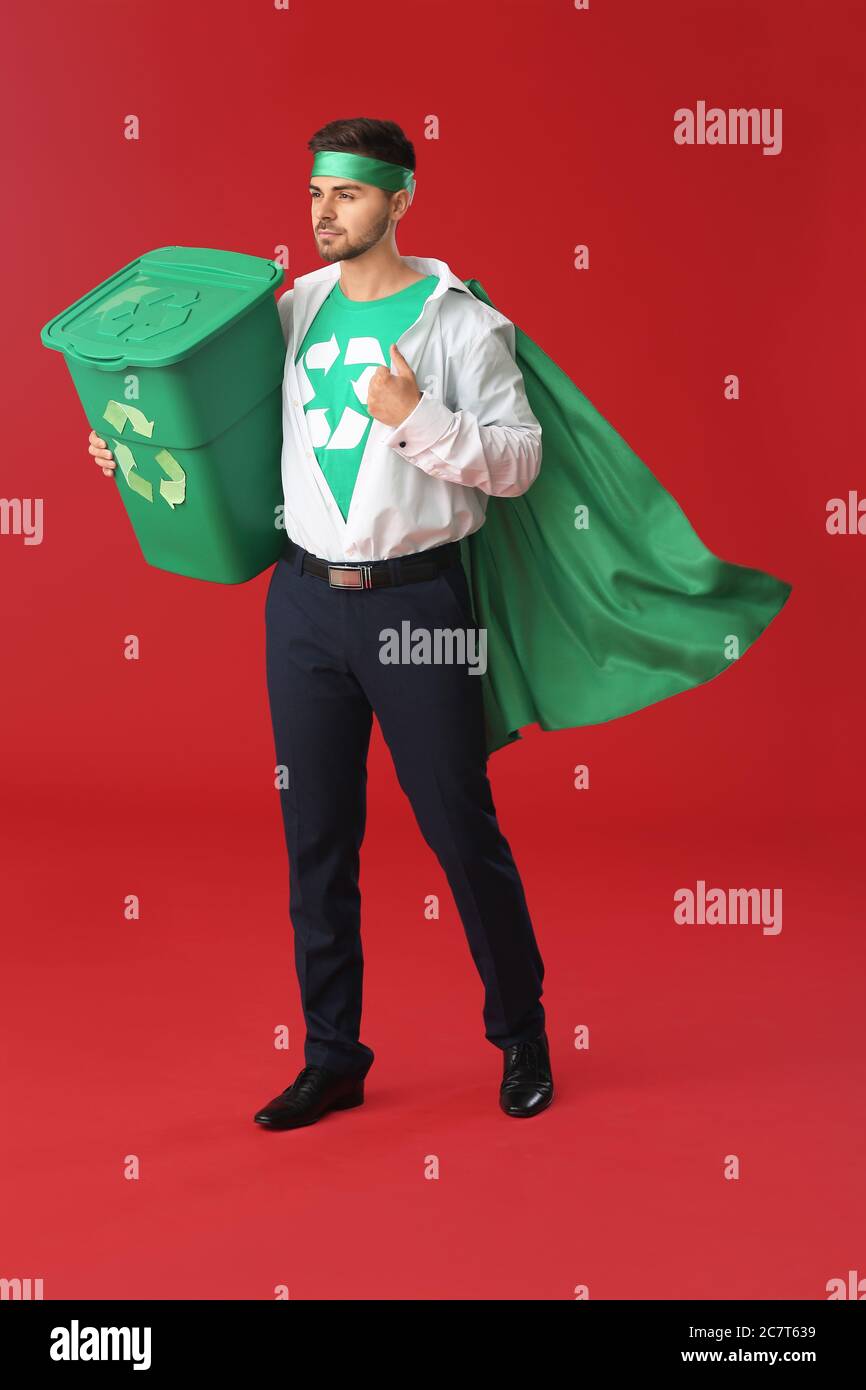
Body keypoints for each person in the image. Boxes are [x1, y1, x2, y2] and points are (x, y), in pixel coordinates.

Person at [88, 116, 554, 1130]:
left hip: (416, 604)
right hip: (301, 603)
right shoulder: (288, 307)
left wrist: (414, 415)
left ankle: (520, 1029)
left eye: (344, 194)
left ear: (399, 198)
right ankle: (333, 1054)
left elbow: (517, 462)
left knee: (455, 824)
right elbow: (211, 417)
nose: (321, 212)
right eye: (312, 192)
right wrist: (128, 446)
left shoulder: (457, 324)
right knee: (316, 837)